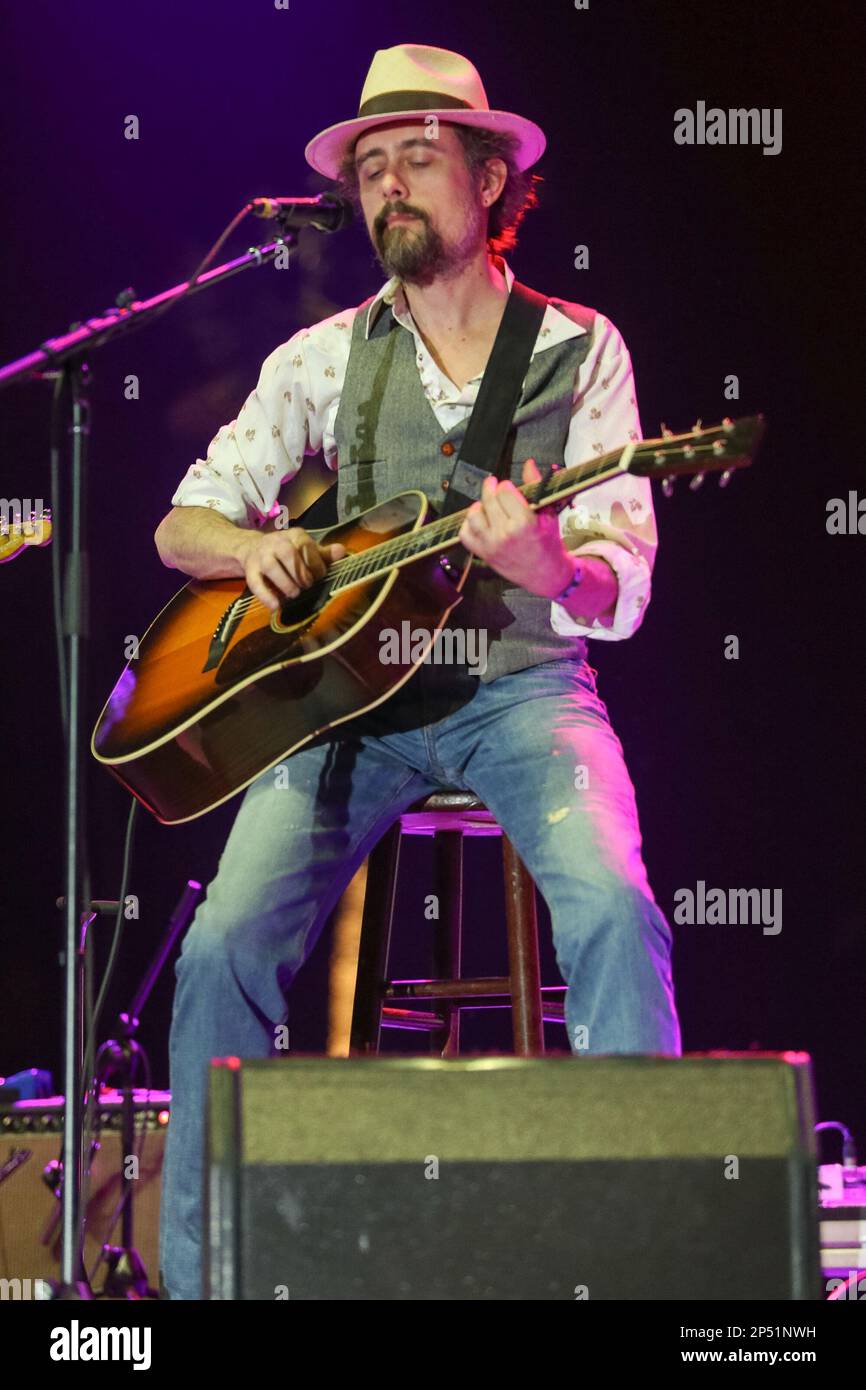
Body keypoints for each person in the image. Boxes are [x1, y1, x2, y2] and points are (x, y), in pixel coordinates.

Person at [154, 43, 681, 1300]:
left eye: (419, 160)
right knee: (219, 941)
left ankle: (656, 1255)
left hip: (524, 692)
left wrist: (547, 565)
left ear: (492, 178)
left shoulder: (578, 347)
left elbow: (620, 581)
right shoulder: (322, 357)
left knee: (612, 907)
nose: (389, 186)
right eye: (371, 167)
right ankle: (203, 1284)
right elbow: (184, 523)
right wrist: (263, 546)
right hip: (348, 713)